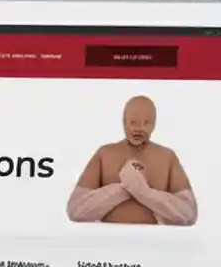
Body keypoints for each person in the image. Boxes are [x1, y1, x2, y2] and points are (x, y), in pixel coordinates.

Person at [67, 95, 198, 225]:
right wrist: (122, 188)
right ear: (124, 122)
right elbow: (76, 211)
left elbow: (188, 214)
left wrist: (143, 192)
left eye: (146, 123)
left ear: (154, 124)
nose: (138, 129)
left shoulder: (167, 157)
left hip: (155, 237)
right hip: (109, 237)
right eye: (133, 122)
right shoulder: (105, 154)